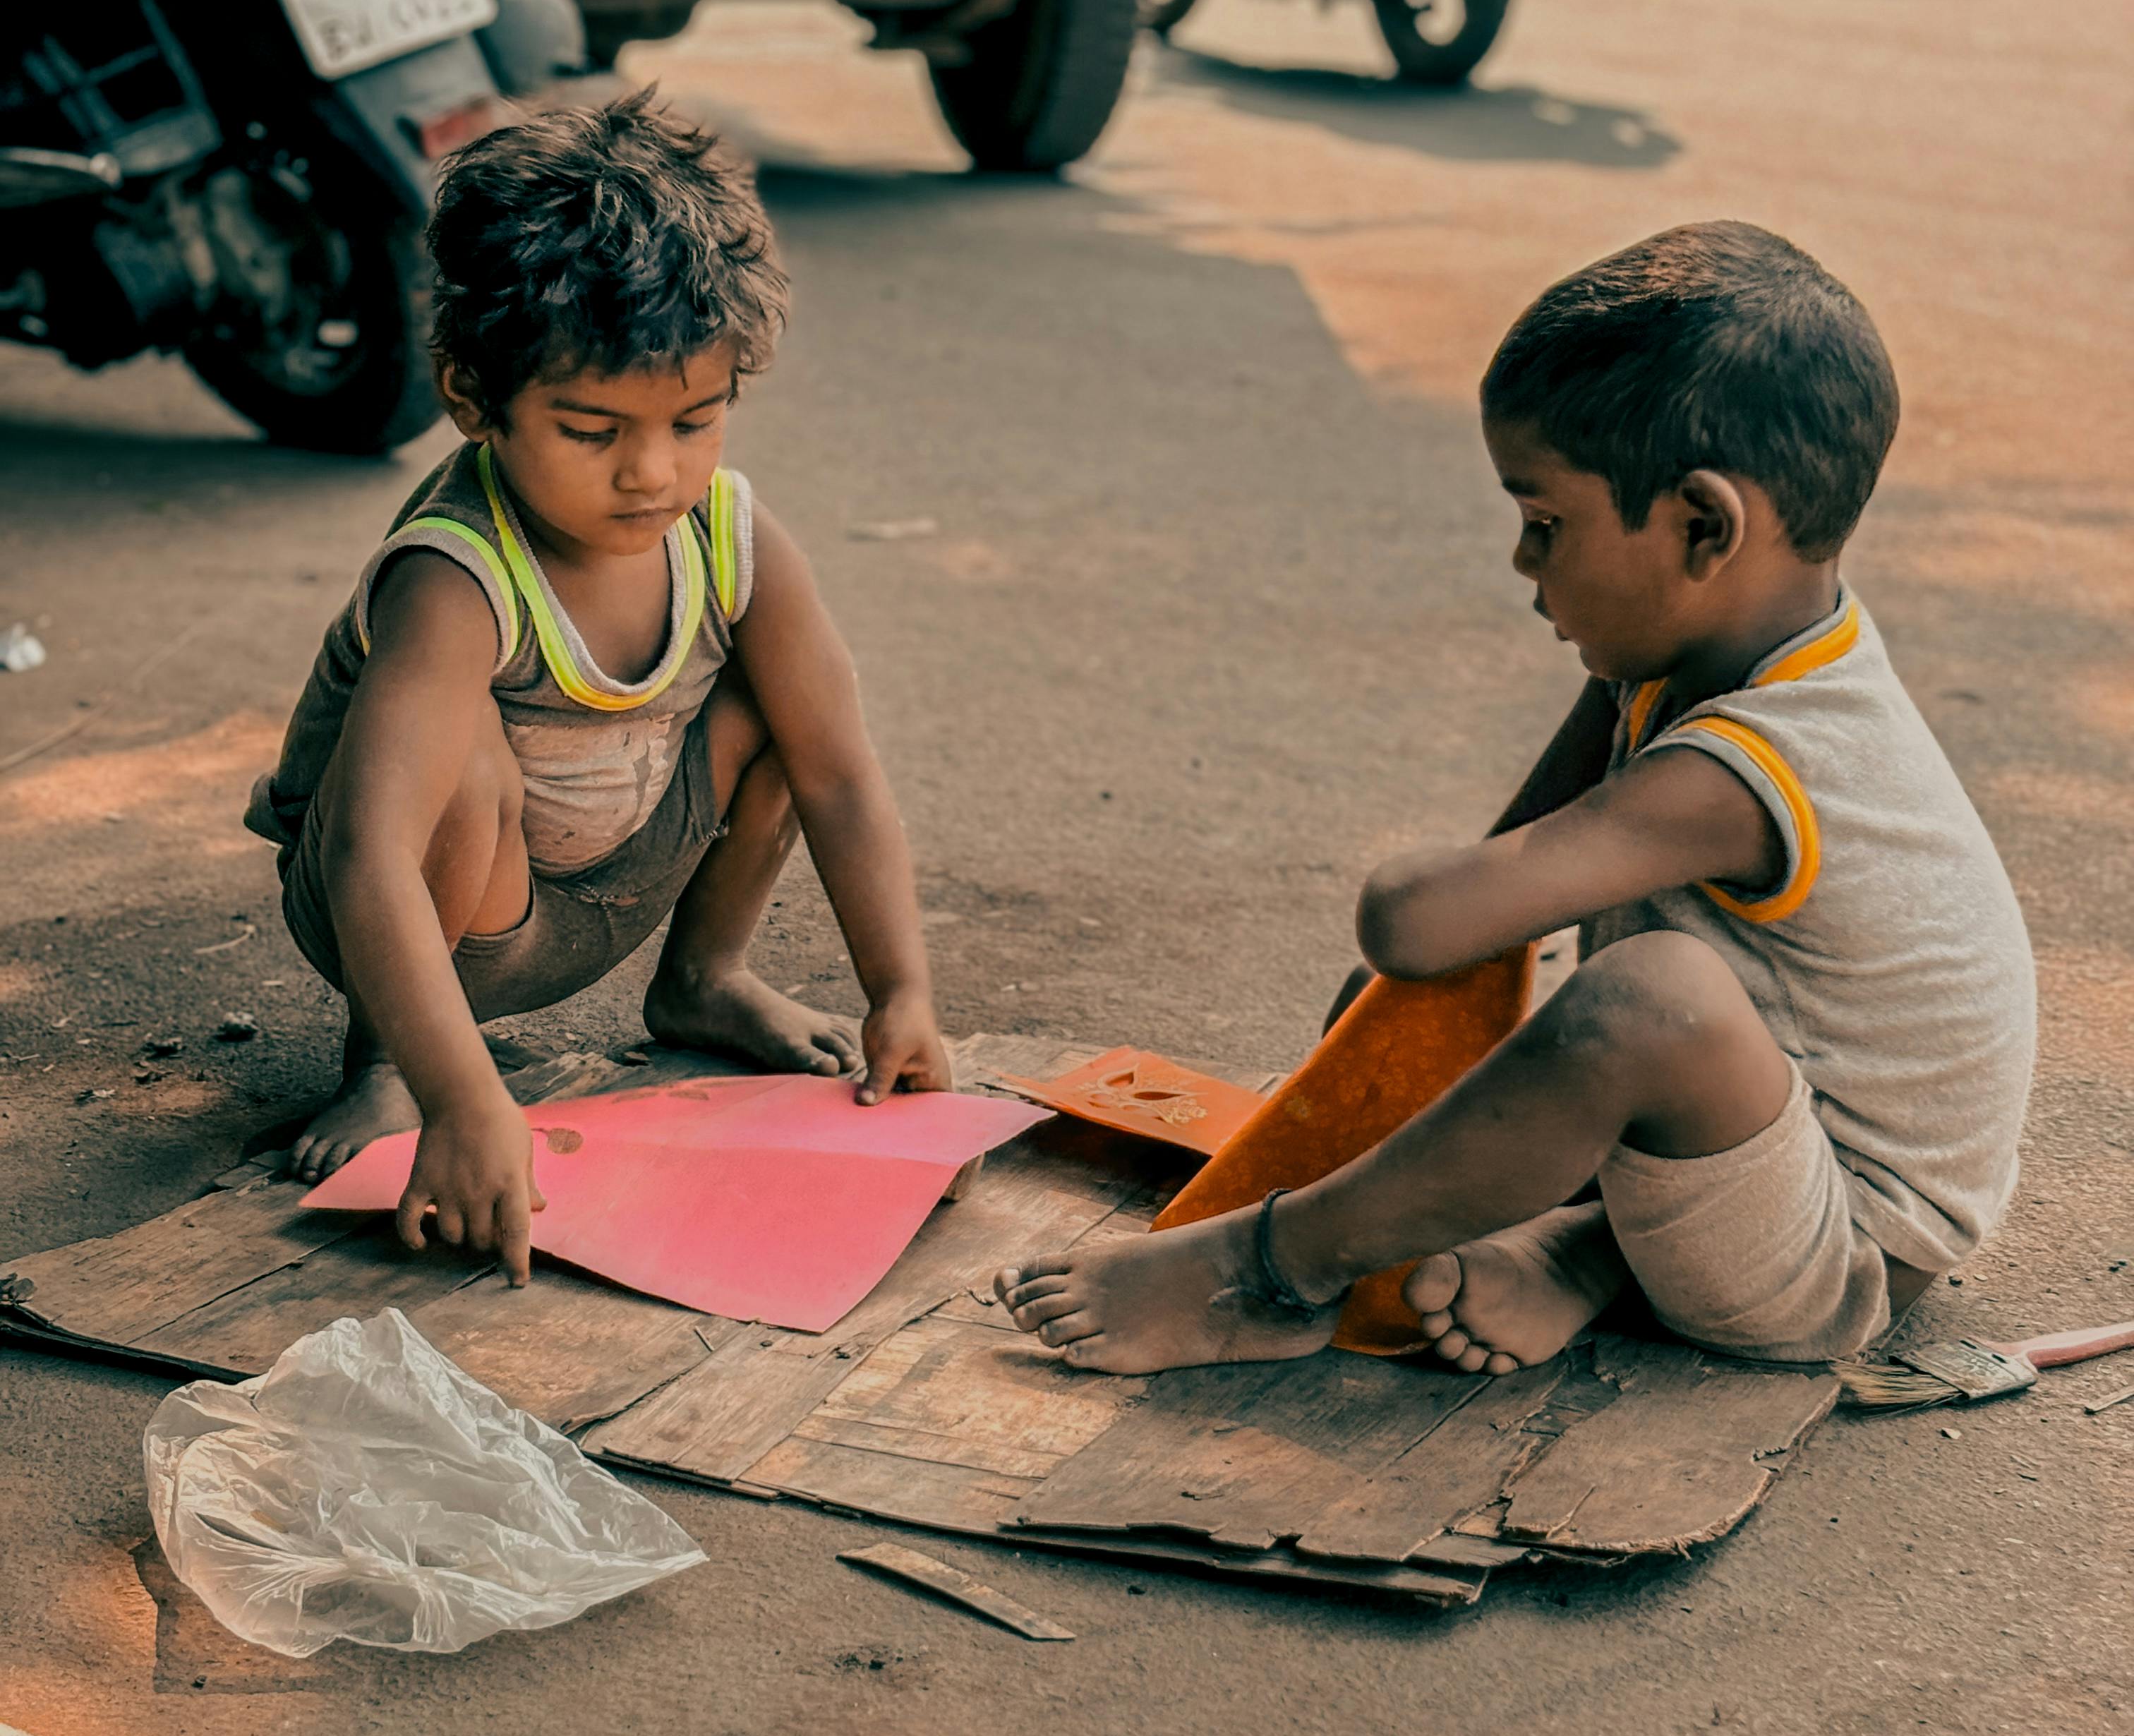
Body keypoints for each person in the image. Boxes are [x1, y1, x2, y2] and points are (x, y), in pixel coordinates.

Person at [997, 223, 2035, 1378]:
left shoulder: (1751, 766)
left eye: (1545, 524)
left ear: (1702, 527)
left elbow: (1416, 913)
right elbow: (1473, 925)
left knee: (1641, 1002)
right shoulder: (1720, 652)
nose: (1518, 562)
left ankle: (1270, 1267)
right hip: (1745, 1163)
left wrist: (1418, 949)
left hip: (1832, 1257)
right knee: (1409, 1006)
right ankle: (1586, 1253)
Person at [247, 93, 950, 1282]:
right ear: (473, 396)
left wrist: (901, 992)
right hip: (423, 920)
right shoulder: (452, 576)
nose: (651, 471)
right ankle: (385, 1062)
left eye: (696, 419)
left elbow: (835, 774)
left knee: (788, 711)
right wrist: (465, 1106)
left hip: (611, 885)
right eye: (591, 428)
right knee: (456, 758)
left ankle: (702, 979)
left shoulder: (730, 534)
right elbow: (369, 857)